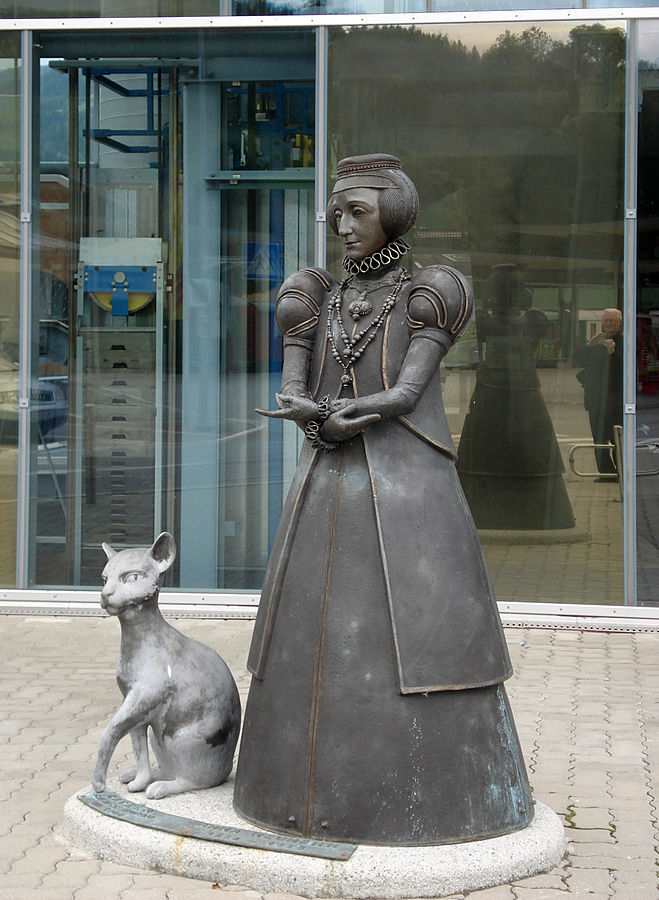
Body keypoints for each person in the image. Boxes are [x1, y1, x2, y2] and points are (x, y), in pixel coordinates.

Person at [233, 154, 532, 845]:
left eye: (356, 211)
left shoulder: (428, 294)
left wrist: (332, 417)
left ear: (393, 213)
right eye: (335, 213)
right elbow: (292, 386)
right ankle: (291, 791)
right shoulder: (314, 298)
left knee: (425, 628)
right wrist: (309, 416)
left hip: (407, 485)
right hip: (326, 480)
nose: (341, 225)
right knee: (308, 623)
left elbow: (404, 396)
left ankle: (433, 798)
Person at [576, 308, 623, 476]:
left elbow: (624, 369)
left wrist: (613, 352)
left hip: (615, 399)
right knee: (599, 436)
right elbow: (580, 361)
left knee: (618, 436)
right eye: (606, 321)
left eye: (611, 321)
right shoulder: (599, 340)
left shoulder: (623, 341)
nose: (608, 324)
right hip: (596, 398)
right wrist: (589, 345)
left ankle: (622, 470)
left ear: (620, 322)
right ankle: (605, 472)